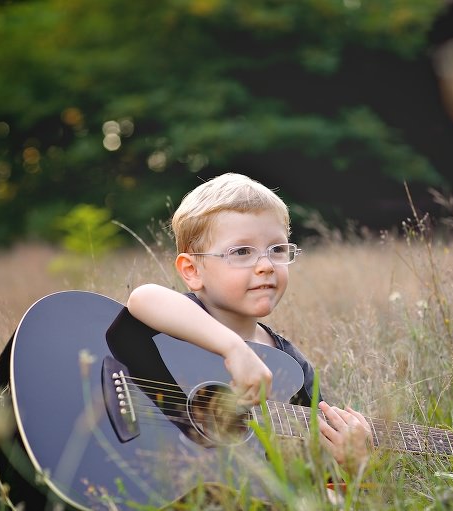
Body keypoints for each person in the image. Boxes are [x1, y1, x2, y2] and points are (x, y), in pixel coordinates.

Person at [125, 172, 372, 477]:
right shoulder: (179, 318)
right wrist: (234, 349)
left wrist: (351, 463)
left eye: (277, 250)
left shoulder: (289, 365)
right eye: (241, 252)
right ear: (192, 271)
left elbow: (310, 467)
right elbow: (142, 298)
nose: (267, 265)